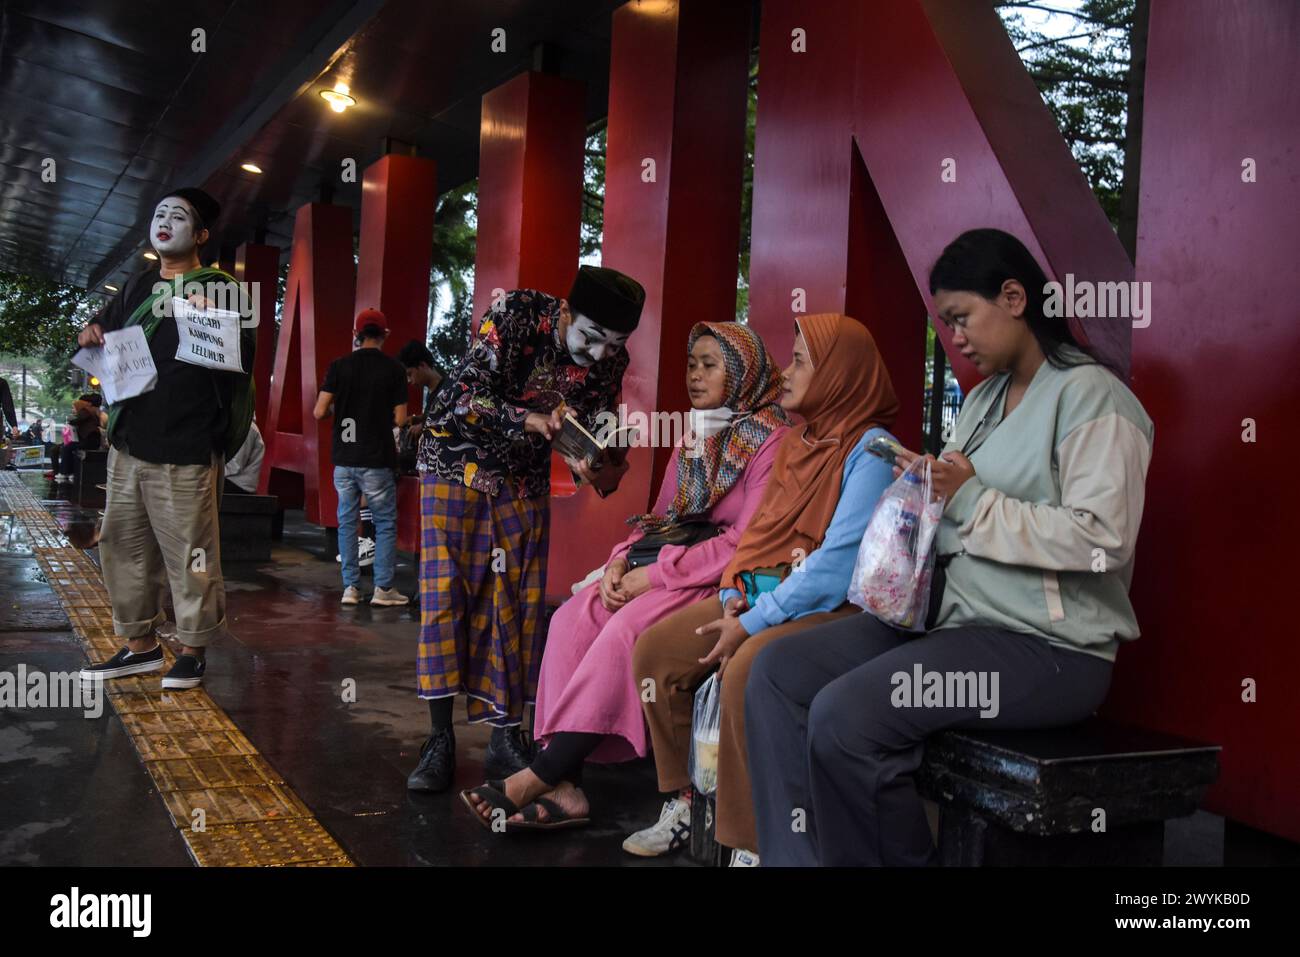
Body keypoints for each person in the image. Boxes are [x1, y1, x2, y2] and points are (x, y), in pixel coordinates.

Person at [746, 229, 1155, 866]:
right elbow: (956, 504)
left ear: (1014, 298)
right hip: (947, 622)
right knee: (775, 672)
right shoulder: (984, 399)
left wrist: (967, 499)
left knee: (845, 718)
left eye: (962, 318)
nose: (953, 338)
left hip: (1045, 651)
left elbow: (1102, 537)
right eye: (946, 323)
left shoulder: (1093, 399)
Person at [460, 321, 790, 829]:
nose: (695, 377)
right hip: (662, 563)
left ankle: (540, 774)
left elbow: (745, 543)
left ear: (744, 371)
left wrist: (653, 577)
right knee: (572, 618)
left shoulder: (772, 440)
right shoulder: (696, 435)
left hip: (712, 578)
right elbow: (661, 520)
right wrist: (619, 561)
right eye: (691, 364)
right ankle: (570, 787)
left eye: (711, 365)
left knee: (623, 632)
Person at [627, 314, 901, 865]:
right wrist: (734, 595)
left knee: (747, 669)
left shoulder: (872, 451)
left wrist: (751, 621)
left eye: (800, 361)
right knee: (656, 653)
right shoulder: (798, 441)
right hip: (765, 593)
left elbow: (835, 567)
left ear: (838, 374)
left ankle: (752, 840)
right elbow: (756, 536)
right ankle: (684, 798)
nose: (786, 372)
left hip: (835, 609)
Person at [406, 266, 645, 791]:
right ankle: (439, 739)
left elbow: (592, 420)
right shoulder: (516, 315)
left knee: (516, 603)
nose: (601, 353)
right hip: (456, 465)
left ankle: (506, 736)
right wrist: (527, 421)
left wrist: (597, 458)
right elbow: (460, 396)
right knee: (448, 596)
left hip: (522, 479)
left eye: (616, 343)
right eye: (591, 337)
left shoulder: (610, 360)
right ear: (563, 312)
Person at [77, 186, 255, 690]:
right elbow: (104, 331)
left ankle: (193, 650)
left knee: (191, 554)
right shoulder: (136, 286)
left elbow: (240, 356)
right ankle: (140, 647)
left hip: (186, 445)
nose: (165, 222)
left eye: (178, 217)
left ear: (200, 235)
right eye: (159, 214)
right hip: (130, 443)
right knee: (123, 547)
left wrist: (208, 316)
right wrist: (91, 332)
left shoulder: (222, 289)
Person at [314, 308, 409, 607]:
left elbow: (319, 411)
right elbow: (401, 418)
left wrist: (339, 410)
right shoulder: (394, 370)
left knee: (346, 521)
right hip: (377, 458)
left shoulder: (339, 366)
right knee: (384, 523)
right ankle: (383, 589)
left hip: (344, 458)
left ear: (356, 334)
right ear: (385, 335)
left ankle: (351, 588)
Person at [56, 394, 103, 483]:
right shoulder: (91, 412)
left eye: (74, 408)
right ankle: (71, 472)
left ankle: (64, 472)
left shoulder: (85, 411)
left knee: (67, 448)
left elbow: (76, 421)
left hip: (90, 441)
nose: (73, 410)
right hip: (92, 441)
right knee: (69, 448)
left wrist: (70, 420)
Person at [223, 421, 265, 495]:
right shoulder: (237, 425)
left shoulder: (247, 429)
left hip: (239, 485)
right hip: (229, 481)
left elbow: (236, 466)